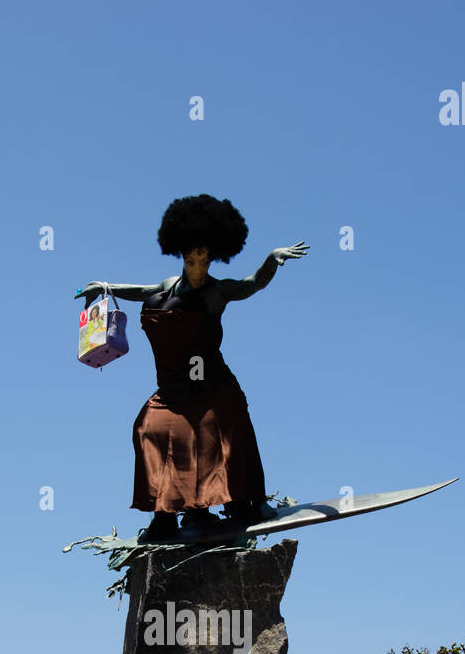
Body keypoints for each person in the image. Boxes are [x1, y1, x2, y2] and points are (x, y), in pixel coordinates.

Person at [75, 194, 309, 540]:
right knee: (149, 429)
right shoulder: (167, 286)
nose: (198, 267)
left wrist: (271, 260)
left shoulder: (217, 292)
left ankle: (250, 502)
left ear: (213, 258)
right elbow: (140, 290)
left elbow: (253, 283)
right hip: (172, 388)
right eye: (191, 259)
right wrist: (105, 286)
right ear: (182, 256)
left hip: (209, 383)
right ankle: (170, 516)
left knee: (226, 429)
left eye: (204, 260)